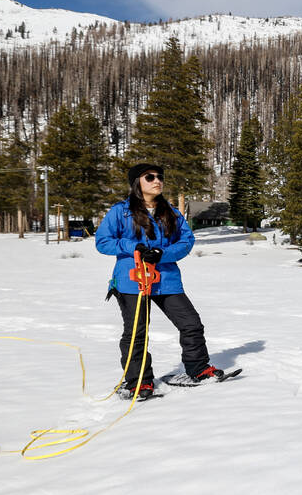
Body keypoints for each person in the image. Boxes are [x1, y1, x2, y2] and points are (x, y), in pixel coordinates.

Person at [95, 163, 227, 399]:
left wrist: (162, 254)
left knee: (191, 324)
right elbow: (103, 242)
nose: (158, 181)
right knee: (137, 333)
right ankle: (139, 382)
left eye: (160, 177)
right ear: (137, 182)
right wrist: (133, 246)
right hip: (131, 280)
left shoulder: (172, 212)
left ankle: (198, 370)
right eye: (150, 177)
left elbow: (186, 242)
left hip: (166, 278)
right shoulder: (120, 211)